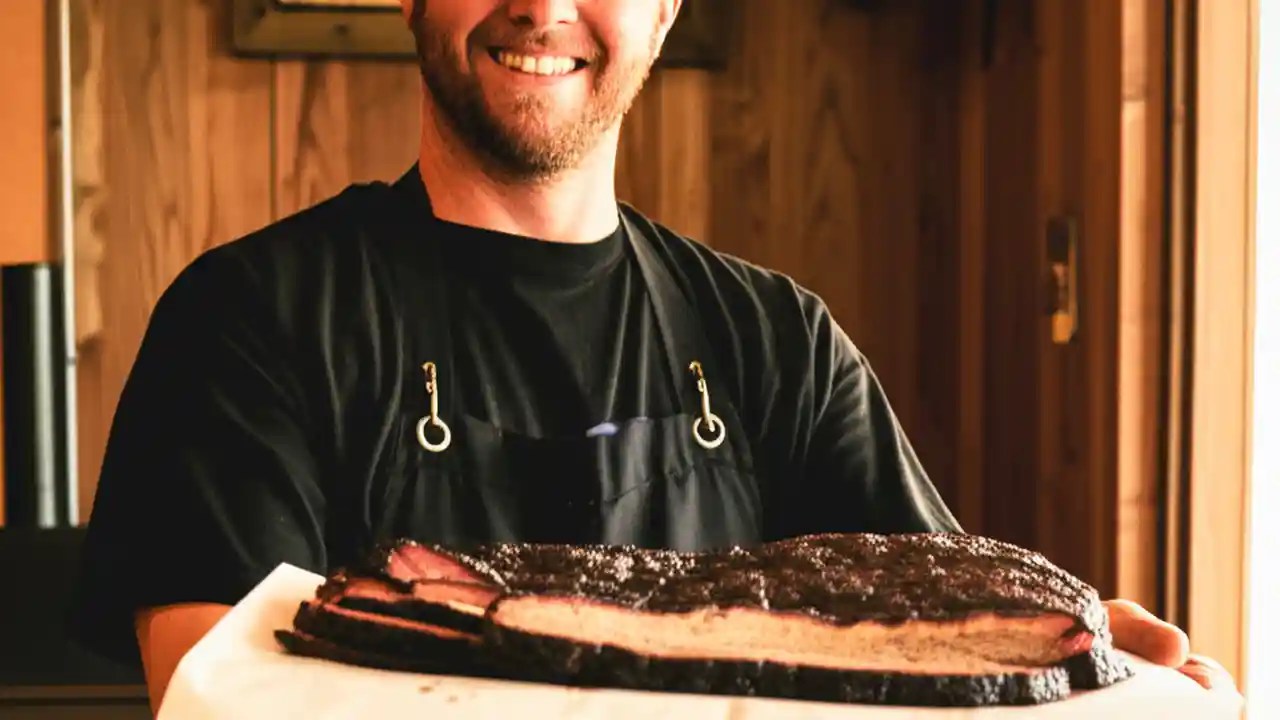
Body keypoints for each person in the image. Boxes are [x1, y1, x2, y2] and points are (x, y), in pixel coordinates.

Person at [67, 0, 1236, 714]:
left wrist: (1090, 675)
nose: (544, 5)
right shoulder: (250, 319)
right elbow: (217, 694)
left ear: (667, 8)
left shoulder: (776, 341)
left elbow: (930, 661)